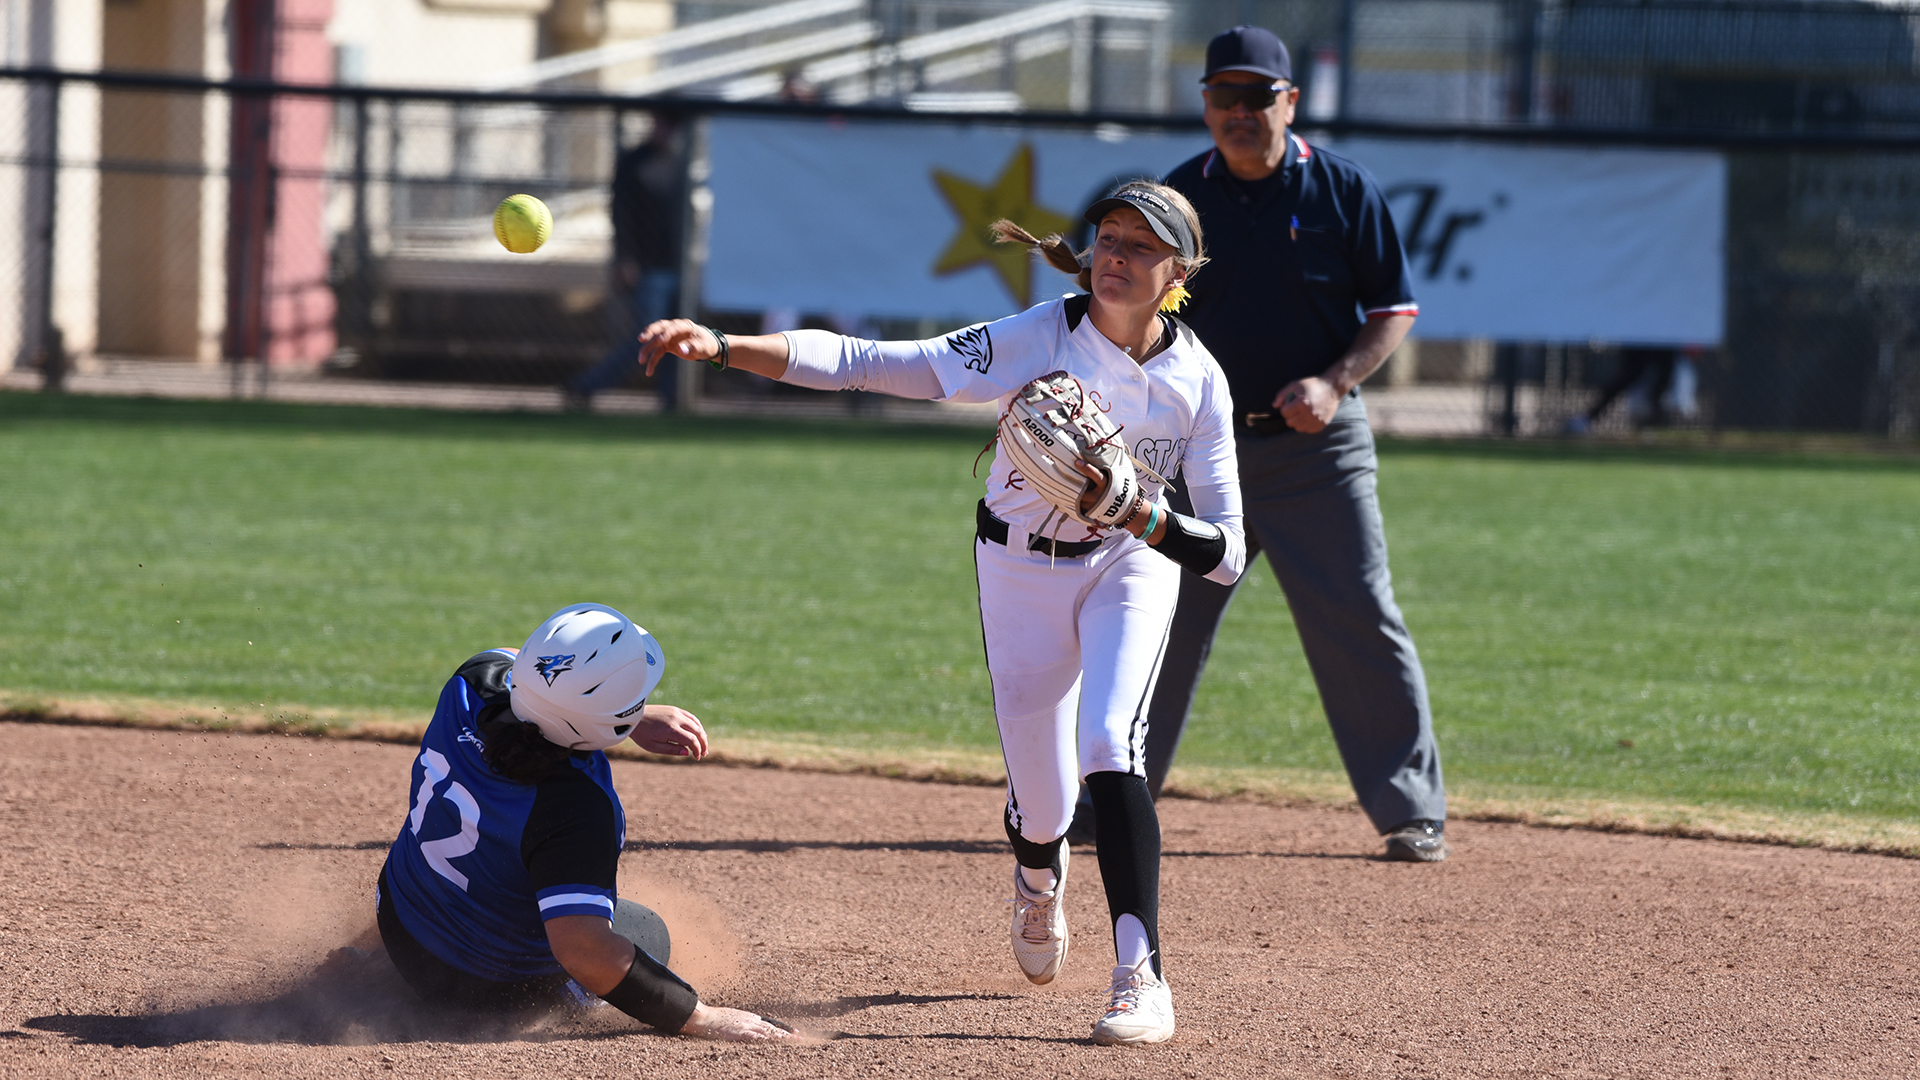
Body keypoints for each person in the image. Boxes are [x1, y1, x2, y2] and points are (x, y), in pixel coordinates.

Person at [636, 182, 1245, 1045]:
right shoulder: (1039, 334)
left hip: (1129, 566)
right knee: (1044, 807)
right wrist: (726, 345)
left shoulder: (1199, 381)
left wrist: (1143, 515)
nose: (1117, 255)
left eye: (1142, 247)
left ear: (1178, 271)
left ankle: (1139, 978)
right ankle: (1039, 877)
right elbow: (874, 363)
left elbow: (1226, 553)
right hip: (1017, 569)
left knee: (1114, 743)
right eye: (1109, 236)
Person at [1091, 25, 1450, 863]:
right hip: (1193, 455)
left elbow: (1391, 308)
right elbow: (1129, 314)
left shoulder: (1340, 191)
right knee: (1156, 618)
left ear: (1291, 101)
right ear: (1206, 103)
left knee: (1357, 616)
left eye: (1259, 96)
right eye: (1225, 96)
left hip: (1315, 453)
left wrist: (1335, 383)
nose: (1240, 112)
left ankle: (1409, 807)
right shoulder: (1176, 200)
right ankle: (1115, 799)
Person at [378, 602, 793, 1042]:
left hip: (397, 924)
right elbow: (582, 949)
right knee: (646, 932)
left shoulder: (473, 679)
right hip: (479, 990)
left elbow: (532, 674)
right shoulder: (576, 807)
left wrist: (629, 719)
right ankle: (555, 1006)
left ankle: (369, 959)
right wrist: (702, 1017)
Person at [566, 115, 687, 411]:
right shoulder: (635, 161)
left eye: (671, 127)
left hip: (681, 267)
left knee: (682, 340)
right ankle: (585, 386)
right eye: (663, 124)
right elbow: (621, 214)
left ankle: (673, 402)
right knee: (649, 337)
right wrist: (626, 259)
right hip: (648, 267)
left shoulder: (683, 163)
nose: (666, 132)